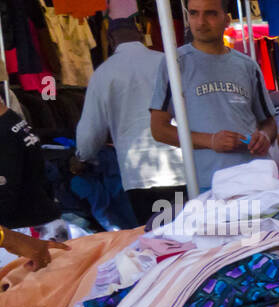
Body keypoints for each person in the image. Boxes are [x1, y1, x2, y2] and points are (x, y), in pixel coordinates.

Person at [149, 0, 275, 193]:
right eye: (194, 14)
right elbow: (159, 129)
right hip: (210, 183)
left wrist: (265, 137)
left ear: (226, 19)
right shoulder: (175, 63)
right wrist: (210, 141)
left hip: (257, 177)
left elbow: (268, 121)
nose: (200, 22)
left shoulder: (248, 66)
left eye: (210, 14)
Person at [75, 19, 187, 227]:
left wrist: (82, 157)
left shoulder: (104, 73)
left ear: (110, 40)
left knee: (159, 240)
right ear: (139, 34)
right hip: (182, 165)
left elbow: (90, 133)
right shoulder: (168, 61)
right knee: (190, 234)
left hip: (140, 175)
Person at [0, 96, 67, 267]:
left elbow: (5, 197)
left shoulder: (4, 132)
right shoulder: (13, 121)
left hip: (26, 237)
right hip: (31, 229)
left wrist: (11, 240)